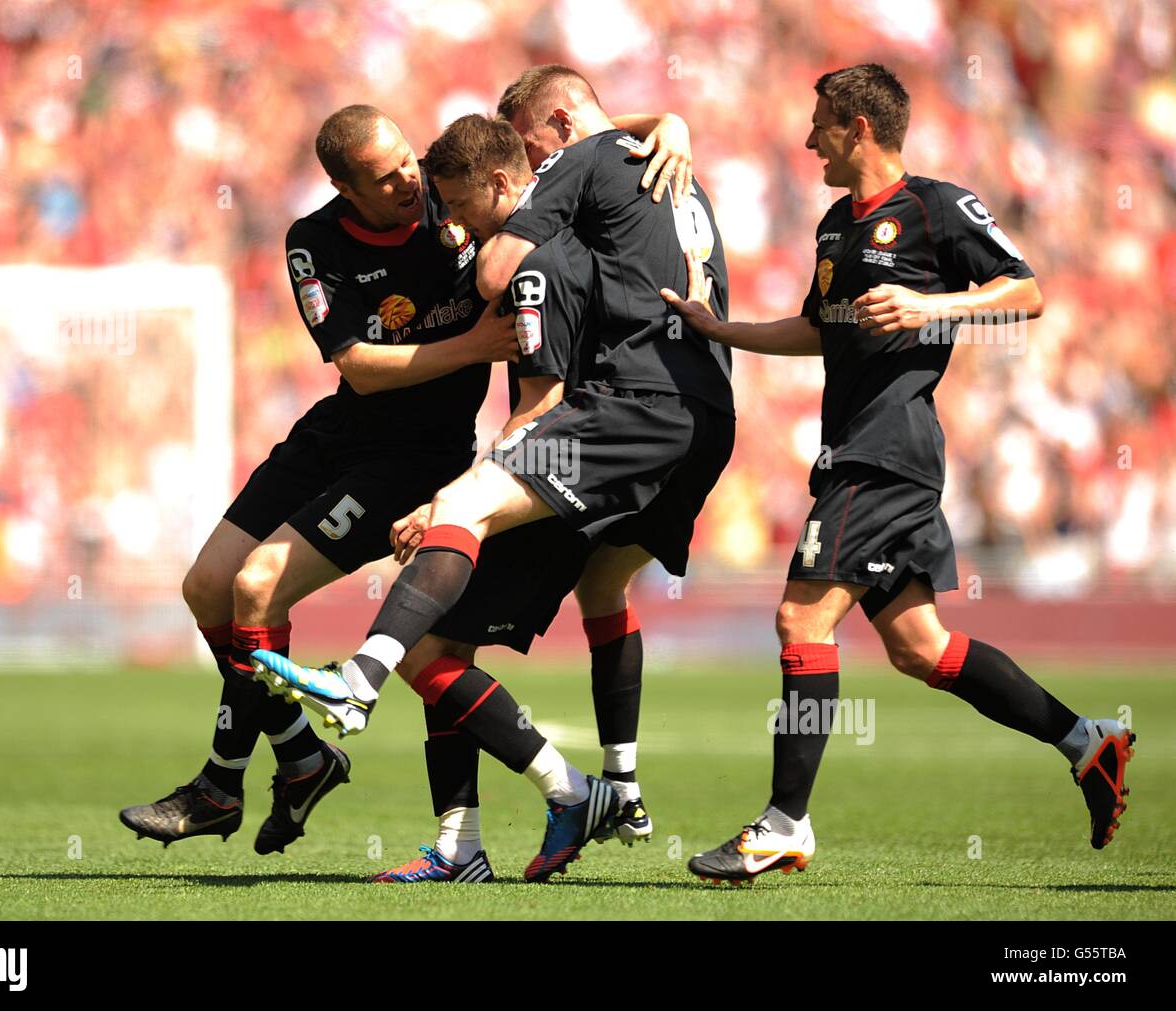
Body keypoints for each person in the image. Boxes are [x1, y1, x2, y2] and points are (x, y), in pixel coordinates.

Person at [119, 101, 697, 857]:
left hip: (418, 458)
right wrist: (471, 344)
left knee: (259, 586)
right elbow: (357, 364)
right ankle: (300, 753)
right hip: (341, 431)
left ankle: (225, 780)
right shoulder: (315, 241)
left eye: (405, 161)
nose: (408, 181)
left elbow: (544, 146)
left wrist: (666, 122)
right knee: (206, 588)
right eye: (385, 176)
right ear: (343, 187)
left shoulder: (452, 189)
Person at [253, 65, 735, 881]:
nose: (457, 229)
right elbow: (619, 128)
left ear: (543, 140)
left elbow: (535, 389)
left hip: (630, 416)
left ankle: (360, 684)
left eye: (465, 209)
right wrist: (674, 119)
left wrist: (455, 489)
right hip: (699, 414)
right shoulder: (645, 179)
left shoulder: (551, 236)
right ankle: (578, 794)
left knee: (458, 535)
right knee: (515, 616)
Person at [658, 64, 1135, 885]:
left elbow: (1028, 292)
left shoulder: (936, 207)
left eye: (820, 125)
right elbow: (819, 329)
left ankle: (783, 821)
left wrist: (930, 307)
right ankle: (1087, 741)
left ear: (858, 128)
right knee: (920, 647)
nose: (808, 140)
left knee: (800, 622)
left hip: (886, 454)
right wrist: (720, 328)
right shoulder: (836, 225)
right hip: (858, 449)